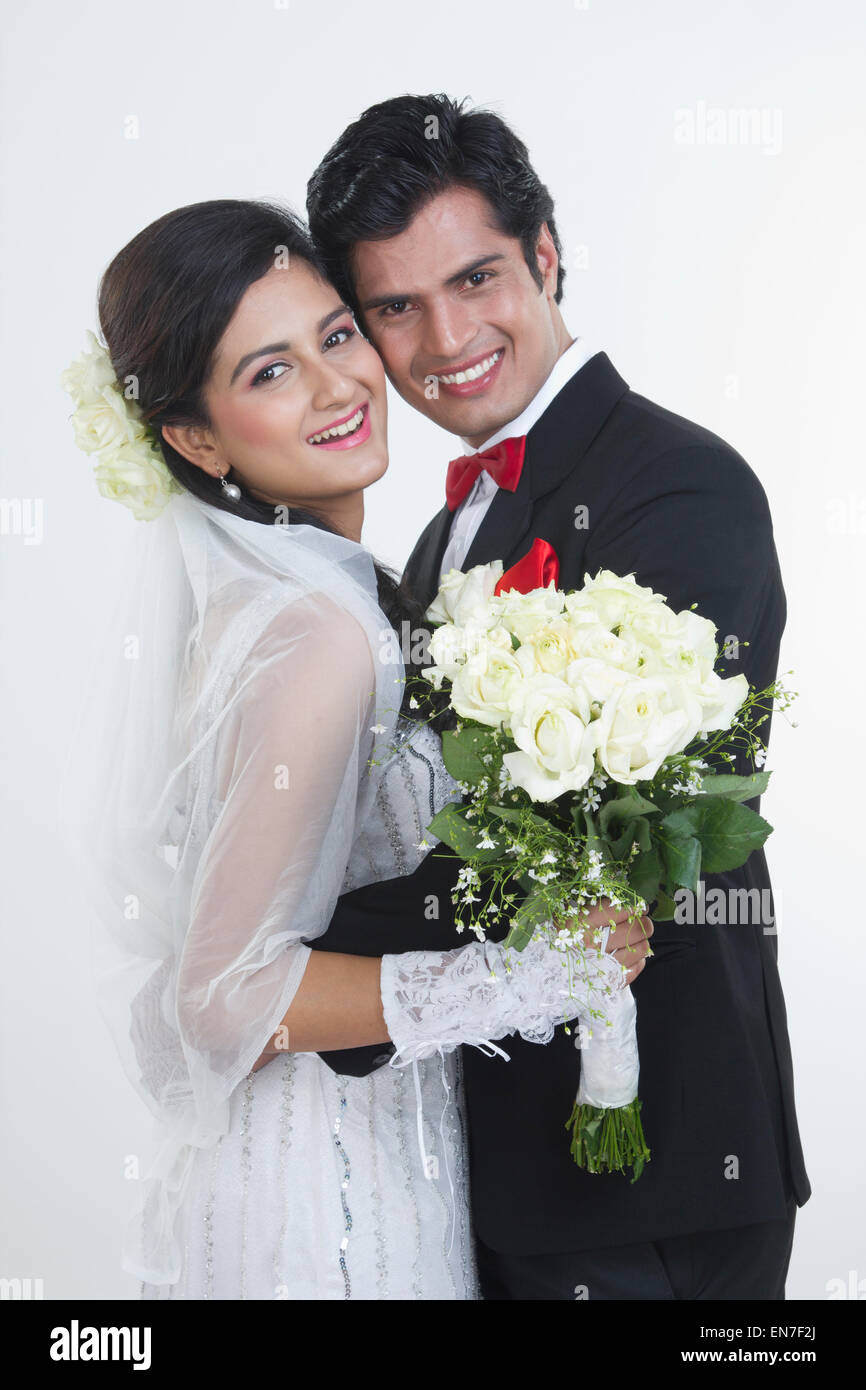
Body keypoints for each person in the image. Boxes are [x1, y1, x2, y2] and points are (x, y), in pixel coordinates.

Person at [59, 199, 652, 1300]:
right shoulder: (318, 633)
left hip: (329, 1166)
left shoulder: (283, 600)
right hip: (324, 1210)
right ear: (194, 438)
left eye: (335, 336)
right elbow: (223, 997)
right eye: (268, 372)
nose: (338, 386)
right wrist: (524, 976)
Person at [305, 93, 810, 1300]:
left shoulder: (680, 485)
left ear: (543, 253)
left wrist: (292, 975)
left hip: (657, 1172)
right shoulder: (437, 536)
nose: (442, 338)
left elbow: (602, 854)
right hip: (493, 1164)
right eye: (395, 307)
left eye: (475, 278)